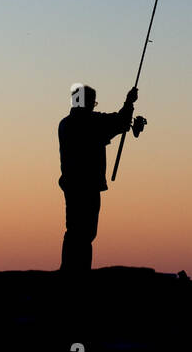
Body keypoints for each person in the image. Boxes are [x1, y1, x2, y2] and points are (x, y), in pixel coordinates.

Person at [57, 84, 137, 275]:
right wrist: (129, 102)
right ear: (88, 103)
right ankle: (79, 272)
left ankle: (69, 271)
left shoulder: (65, 124)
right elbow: (121, 121)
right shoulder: (91, 122)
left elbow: (117, 123)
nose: (94, 106)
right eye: (93, 102)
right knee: (85, 233)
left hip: (72, 185)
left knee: (74, 230)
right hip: (88, 185)